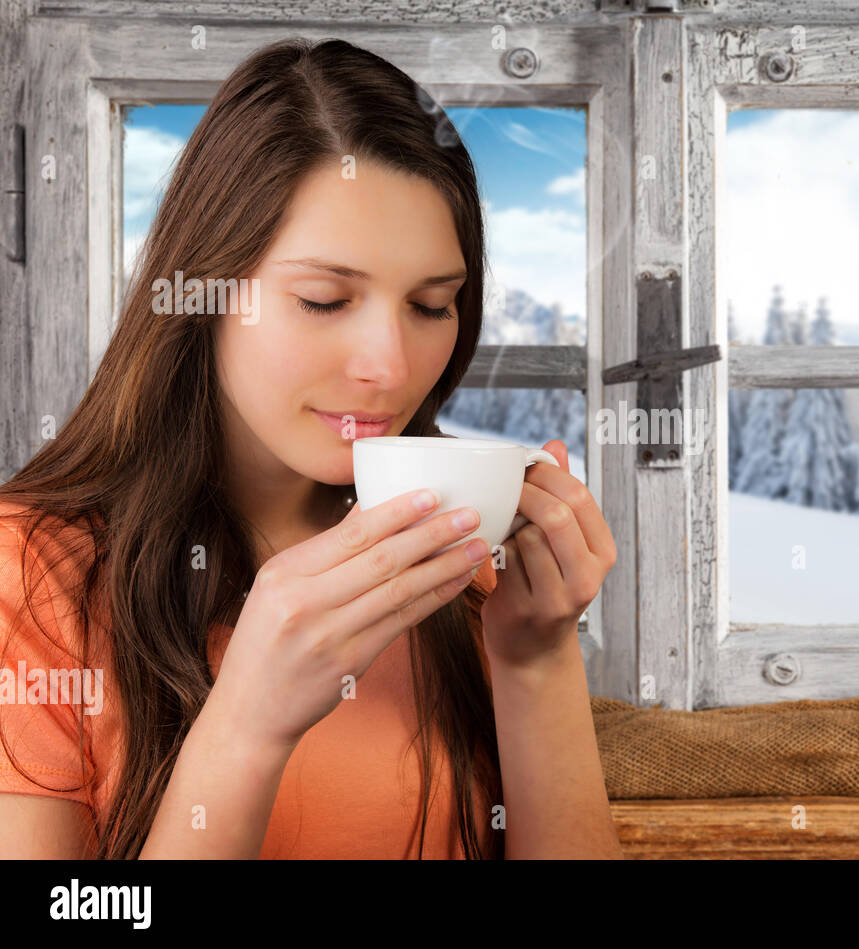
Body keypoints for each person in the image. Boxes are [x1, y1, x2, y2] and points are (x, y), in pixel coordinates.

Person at [0, 37, 620, 859]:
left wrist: (537, 658)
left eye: (432, 305)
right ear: (206, 292)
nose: (390, 368)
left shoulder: (458, 561)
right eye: (325, 300)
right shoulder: (31, 577)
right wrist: (247, 727)